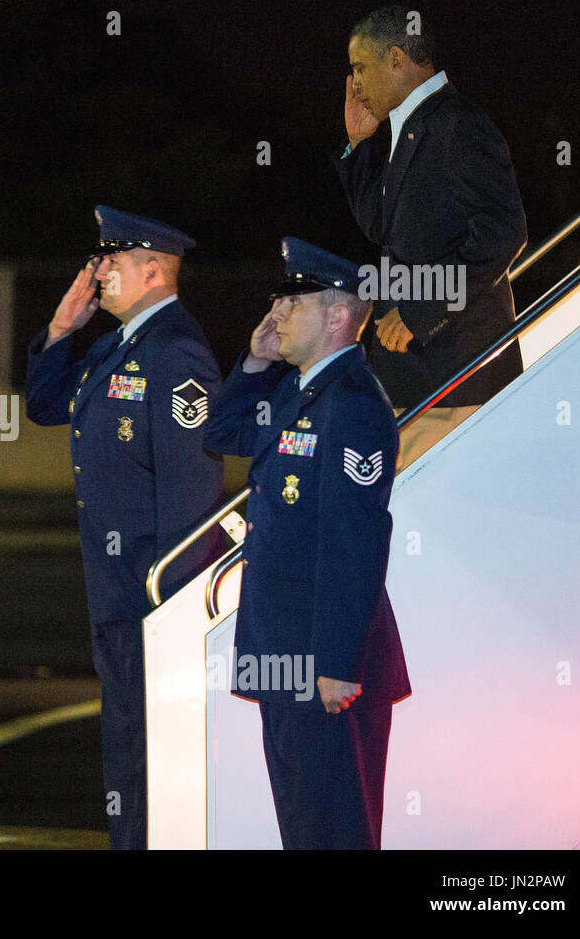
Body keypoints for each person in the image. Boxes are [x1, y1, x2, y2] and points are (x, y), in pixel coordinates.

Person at [26, 205, 224, 849]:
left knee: (150, 752)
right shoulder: (118, 345)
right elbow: (47, 405)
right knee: (129, 746)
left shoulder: (177, 353)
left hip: (149, 595)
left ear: (153, 272)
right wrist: (61, 329)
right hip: (117, 589)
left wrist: (173, 603)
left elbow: (192, 495)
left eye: (110, 261)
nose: (97, 271)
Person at [204, 237, 410, 849]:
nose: (275, 315)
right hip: (286, 651)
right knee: (305, 826)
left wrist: (335, 665)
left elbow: (357, 545)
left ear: (338, 316)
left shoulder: (351, 404)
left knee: (334, 829)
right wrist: (256, 363)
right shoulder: (299, 390)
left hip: (321, 664)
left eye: (291, 304)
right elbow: (221, 432)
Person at [335, 4, 527, 466]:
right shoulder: (412, 128)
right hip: (423, 380)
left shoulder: (456, 123)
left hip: (455, 379)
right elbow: (380, 228)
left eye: (360, 68)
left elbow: (504, 232)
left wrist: (423, 311)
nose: (355, 83)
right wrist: (359, 146)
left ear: (397, 59)